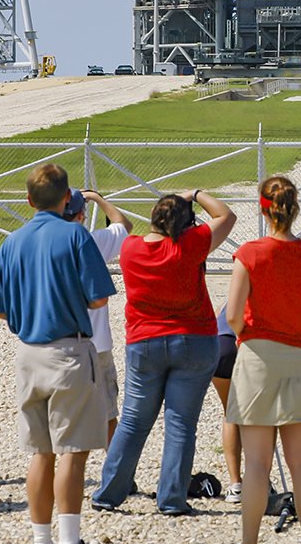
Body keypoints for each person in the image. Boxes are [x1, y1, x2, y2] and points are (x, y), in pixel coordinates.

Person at [0, 163, 118, 544]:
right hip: (69, 351)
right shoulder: (75, 235)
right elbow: (98, 300)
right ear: (65, 200)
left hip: (28, 353)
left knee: (39, 453)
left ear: (28, 200)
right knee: (72, 453)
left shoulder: (12, 242)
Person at [92, 188, 236, 516]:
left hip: (145, 341)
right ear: (186, 225)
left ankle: (109, 492)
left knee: (133, 419)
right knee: (181, 423)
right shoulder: (190, 245)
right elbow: (226, 216)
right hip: (194, 340)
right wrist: (196, 194)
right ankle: (171, 499)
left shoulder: (131, 249)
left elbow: (126, 231)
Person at [215, 176, 301, 544]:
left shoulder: (250, 253)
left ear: (263, 208)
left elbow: (232, 315)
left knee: (258, 464)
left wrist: (252, 333)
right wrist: (298, 331)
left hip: (258, 355)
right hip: (298, 354)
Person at [62, 188, 133, 445]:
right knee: (108, 414)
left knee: (66, 419)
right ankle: (114, 474)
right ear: (81, 214)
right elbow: (124, 225)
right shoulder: (94, 241)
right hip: (97, 343)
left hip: (58, 343)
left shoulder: (41, 245)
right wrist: (99, 198)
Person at [212, 302, 243, 503]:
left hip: (219, 347)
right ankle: (261, 481)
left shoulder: (230, 298)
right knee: (257, 418)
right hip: (243, 346)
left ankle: (235, 484)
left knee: (230, 413)